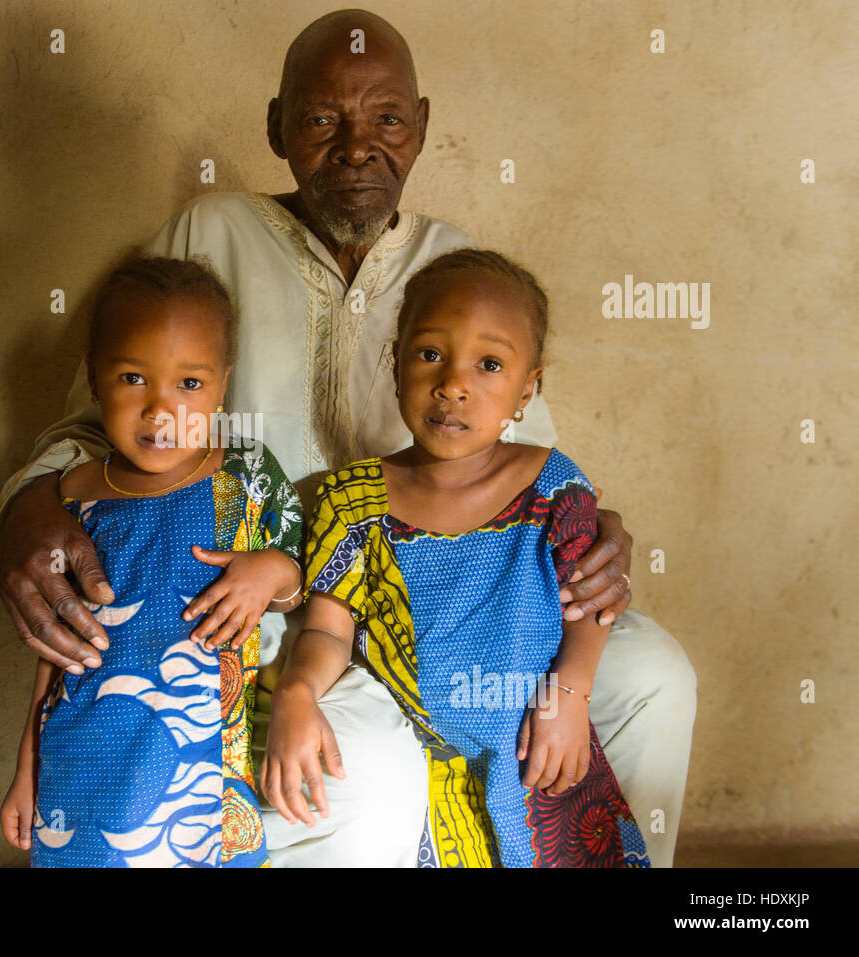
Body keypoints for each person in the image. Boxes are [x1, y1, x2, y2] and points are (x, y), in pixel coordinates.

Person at [0, 10, 696, 866]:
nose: (359, 146)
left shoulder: (457, 265)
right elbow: (88, 430)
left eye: (387, 118)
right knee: (369, 772)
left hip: (473, 606)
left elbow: (530, 466)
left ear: (422, 127)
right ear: (277, 126)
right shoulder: (206, 237)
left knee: (655, 674)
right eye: (323, 119)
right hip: (288, 616)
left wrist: (598, 535)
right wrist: (27, 503)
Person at [263, 248, 651, 867]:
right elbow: (329, 629)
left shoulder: (553, 485)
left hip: (535, 747)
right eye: (429, 354)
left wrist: (569, 697)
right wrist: (298, 693)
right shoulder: (351, 499)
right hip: (419, 761)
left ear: (529, 388)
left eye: (489, 364)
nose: (453, 385)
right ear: (395, 366)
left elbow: (588, 603)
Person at [0, 256, 304, 867]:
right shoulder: (72, 496)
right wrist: (26, 768)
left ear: (223, 383)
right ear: (94, 378)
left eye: (189, 384)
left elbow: (300, 582)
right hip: (82, 760)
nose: (161, 411)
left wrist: (268, 570)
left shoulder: (247, 476)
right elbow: (53, 648)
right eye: (134, 378)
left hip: (208, 767)